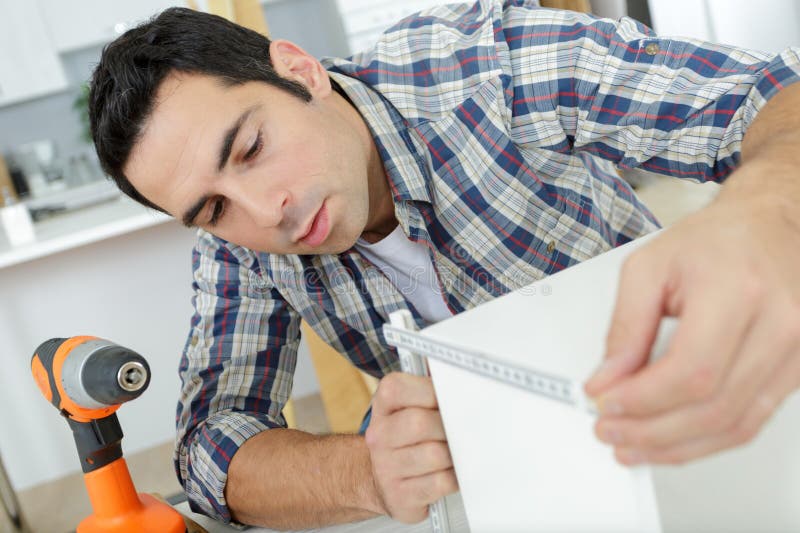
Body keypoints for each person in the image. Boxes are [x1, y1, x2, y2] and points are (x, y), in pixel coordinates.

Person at [88, 0, 800, 529]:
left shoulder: (485, 66)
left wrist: (760, 208)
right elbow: (213, 446)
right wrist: (364, 468)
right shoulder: (236, 238)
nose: (261, 211)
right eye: (210, 209)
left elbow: (762, 99)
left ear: (301, 73)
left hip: (710, 409)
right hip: (521, 489)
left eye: (248, 148)